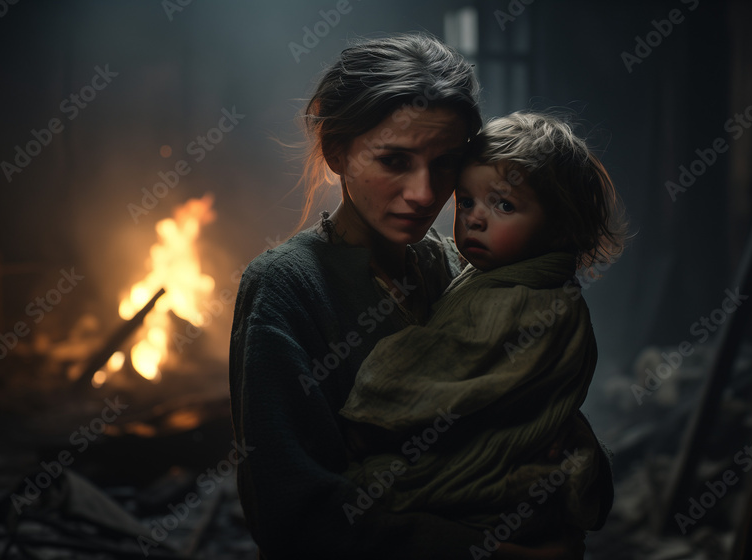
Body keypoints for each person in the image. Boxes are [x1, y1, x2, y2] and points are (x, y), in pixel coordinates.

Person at [229, 34, 608, 559]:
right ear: (338, 152)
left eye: (446, 163)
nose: (425, 194)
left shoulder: (460, 266)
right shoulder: (287, 288)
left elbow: (531, 414)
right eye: (395, 161)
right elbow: (294, 515)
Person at [339, 111, 625, 549]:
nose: (474, 219)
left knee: (370, 487)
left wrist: (368, 418)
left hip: (488, 495)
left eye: (504, 205)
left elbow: (429, 373)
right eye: (467, 201)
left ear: (559, 226)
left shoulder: (518, 301)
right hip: (512, 508)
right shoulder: (502, 276)